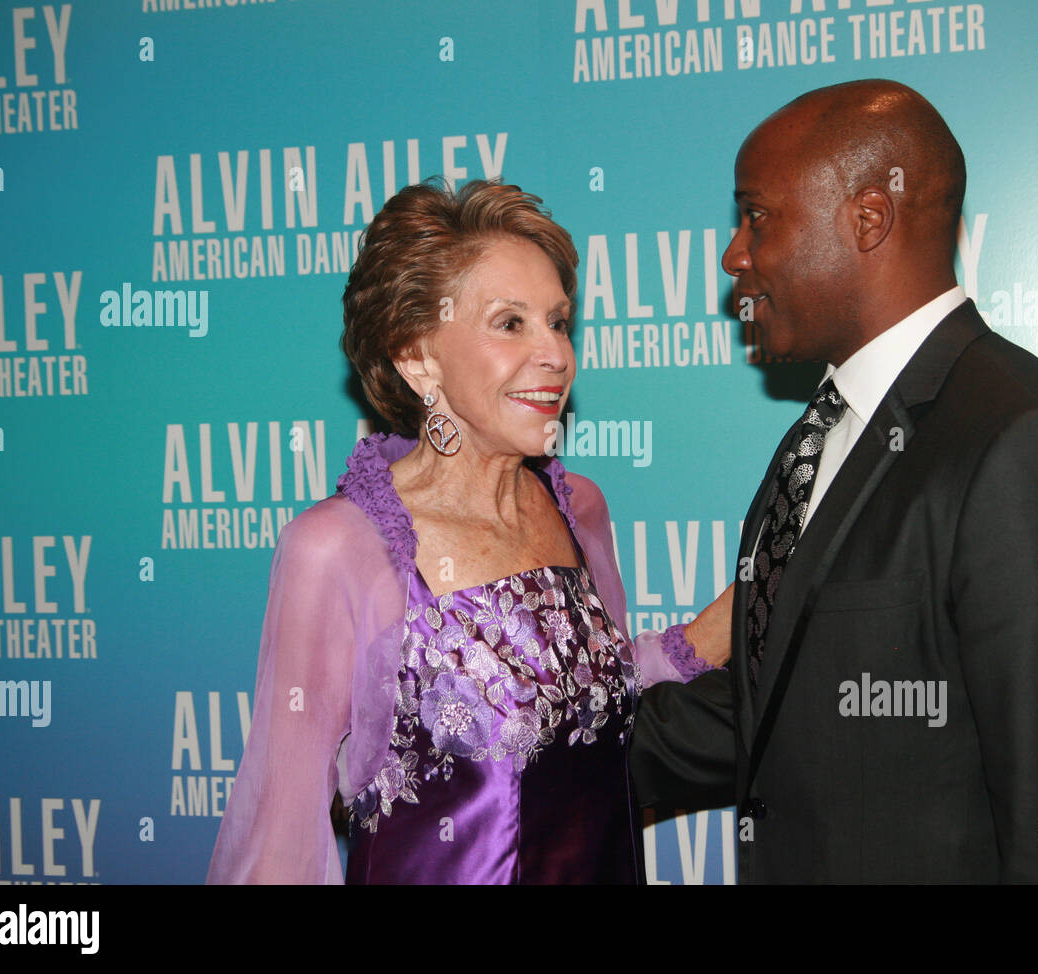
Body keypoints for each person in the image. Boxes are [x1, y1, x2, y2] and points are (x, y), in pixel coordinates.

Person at [629, 79, 1038, 883]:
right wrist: (503, 747)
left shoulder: (1027, 446)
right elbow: (776, 712)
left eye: (757, 216)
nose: (735, 253)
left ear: (868, 218)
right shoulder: (821, 431)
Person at [207, 178, 733, 884]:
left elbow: (574, 704)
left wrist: (724, 620)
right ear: (416, 355)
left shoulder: (581, 507)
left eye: (559, 321)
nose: (555, 354)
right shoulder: (342, 547)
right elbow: (281, 839)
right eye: (510, 323)